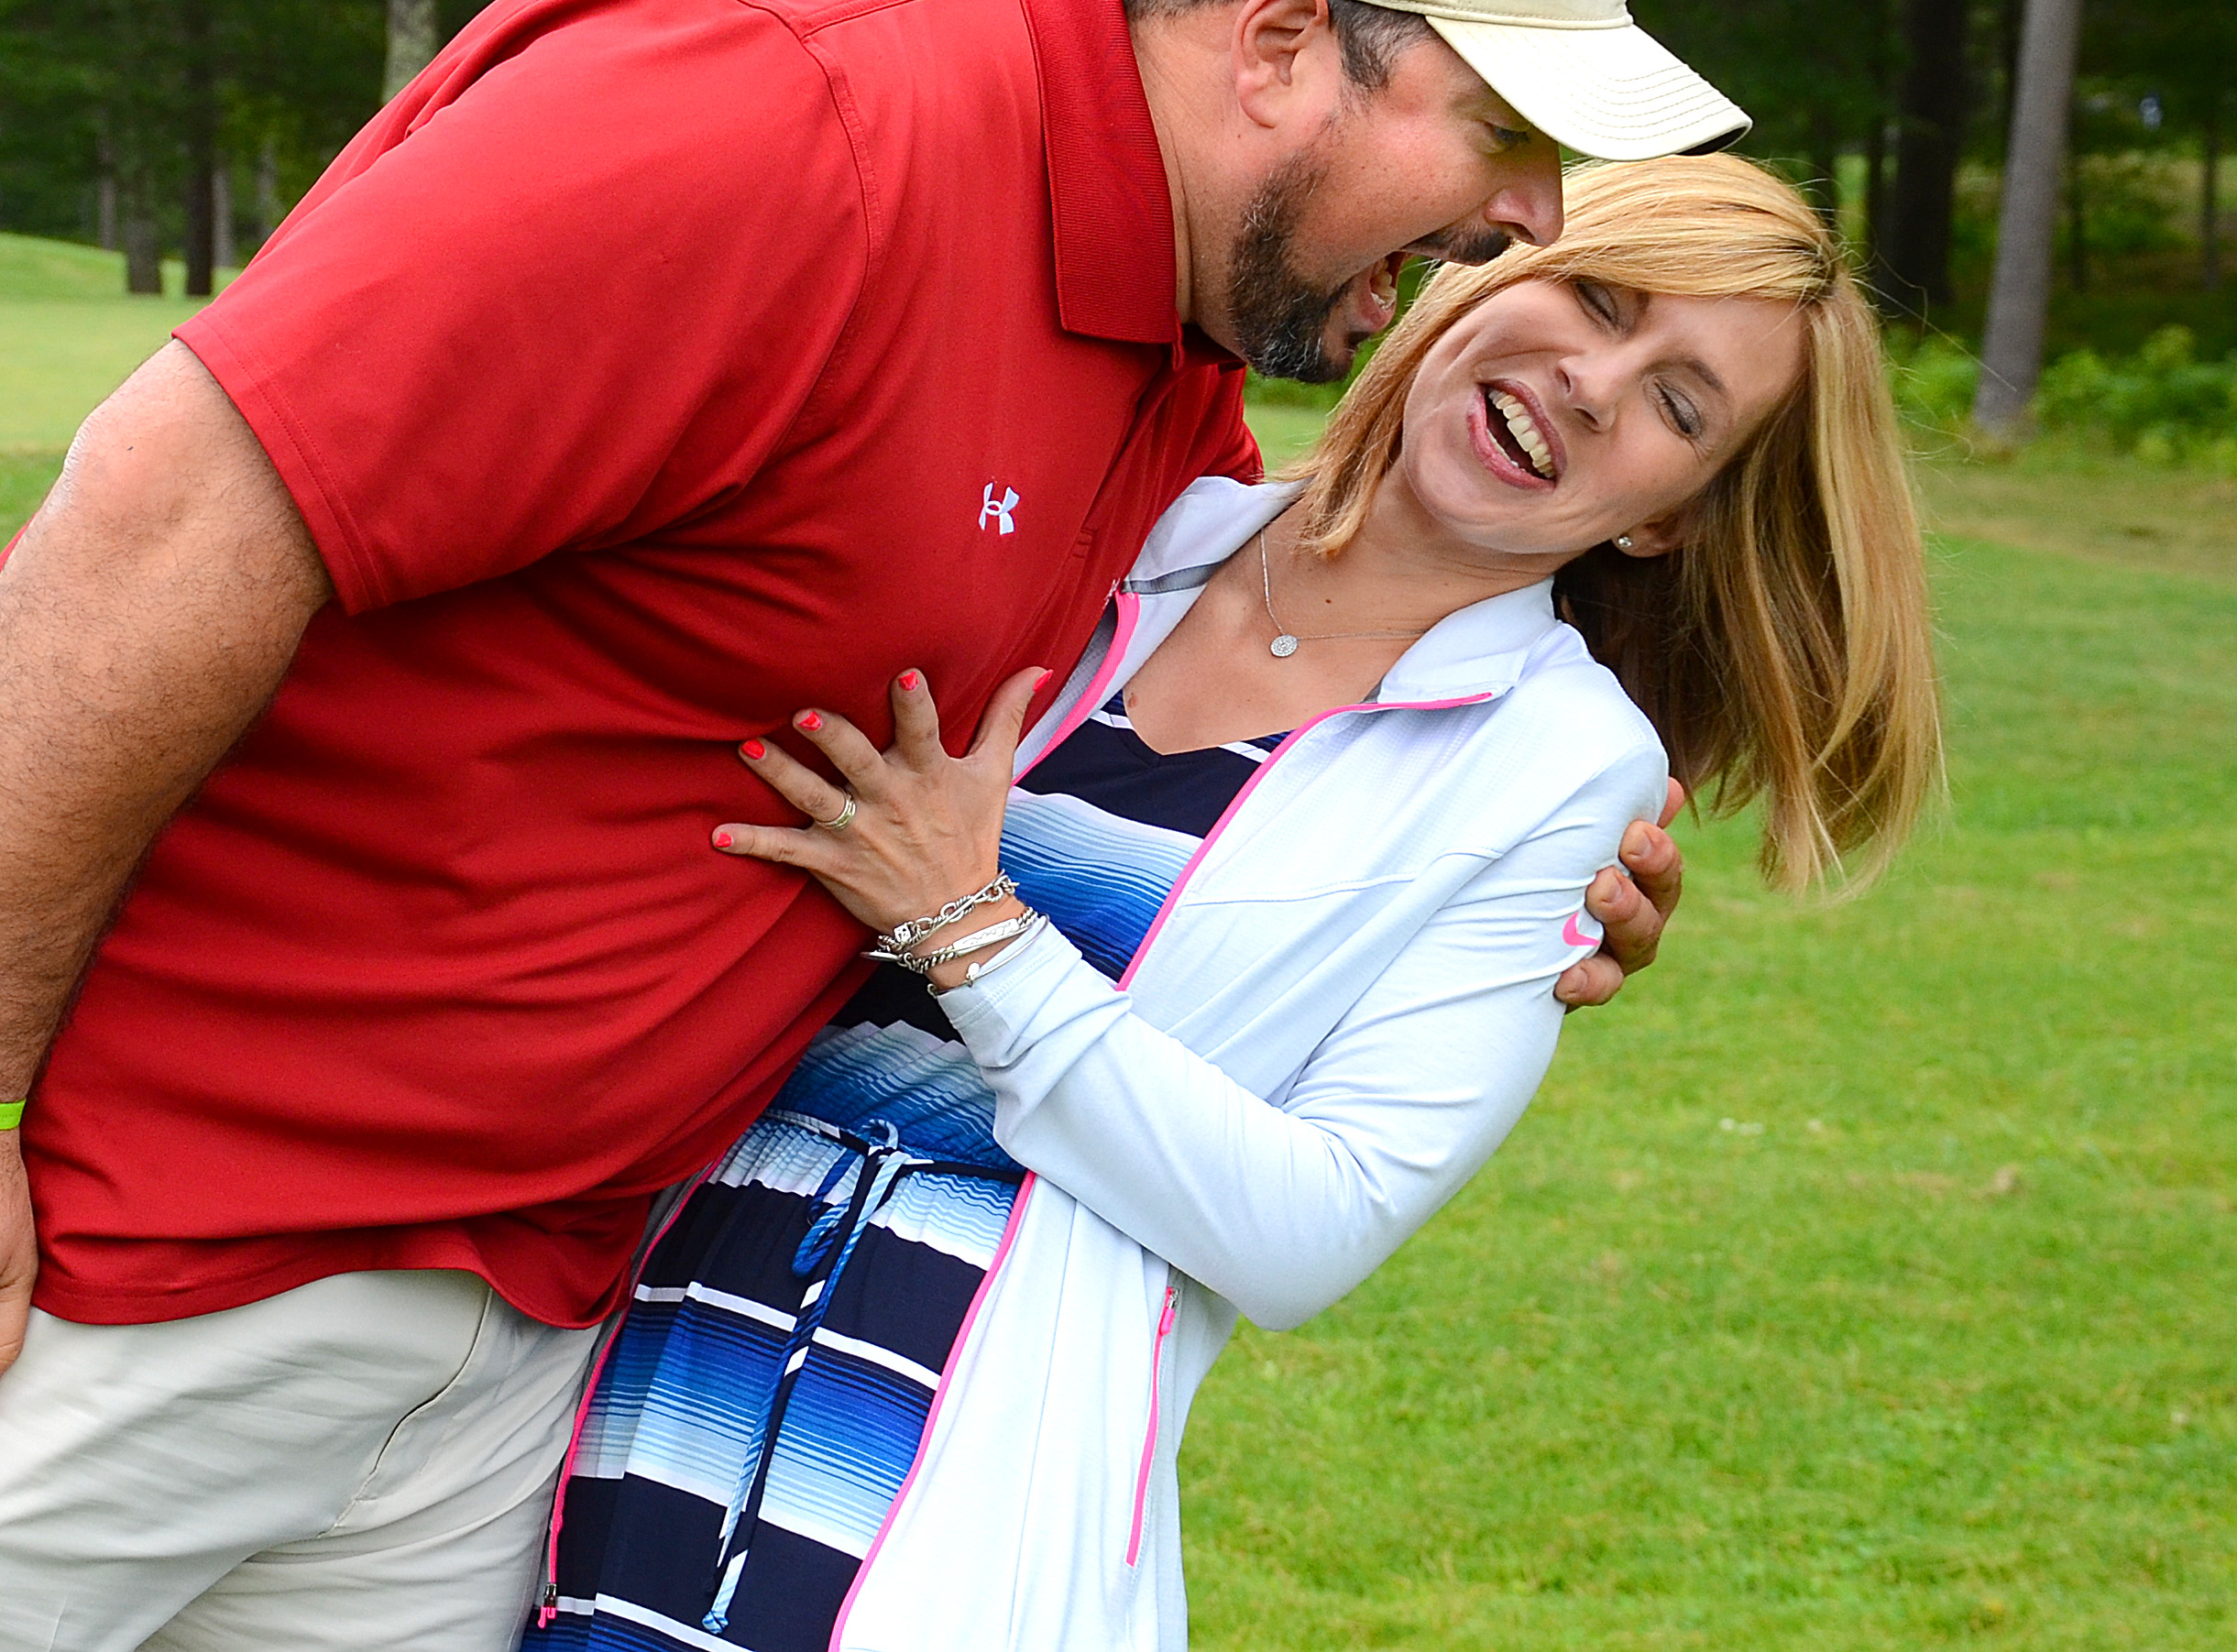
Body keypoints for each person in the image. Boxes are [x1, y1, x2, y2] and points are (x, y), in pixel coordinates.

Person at [0, 0, 1739, 1651]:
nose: (1527, 215)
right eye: (1496, 131)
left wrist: (1535, 863)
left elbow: (1210, 696)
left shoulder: (1164, 345)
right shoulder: (786, 116)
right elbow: (163, 516)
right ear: (1280, 47)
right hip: (66, 1241)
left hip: (510, 1354)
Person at [543, 155, 1943, 1650]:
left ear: (1667, 519)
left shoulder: (1553, 764)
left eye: (1677, 406)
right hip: (610, 1385)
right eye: (1593, 300)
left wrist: (972, 930)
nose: (1594, 382)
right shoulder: (1131, 524)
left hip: (934, 1511)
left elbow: (1308, 1226)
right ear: (1477, 272)